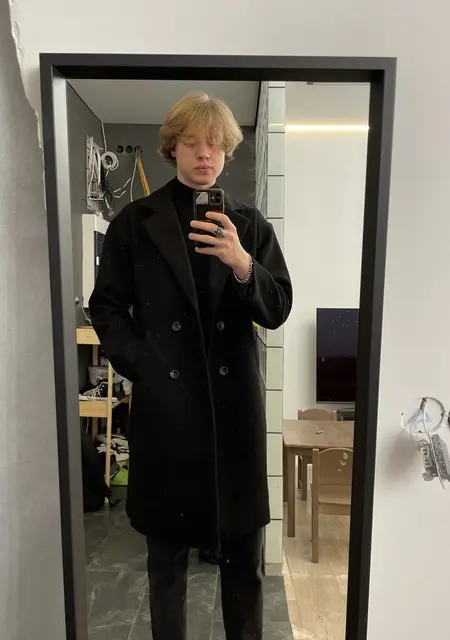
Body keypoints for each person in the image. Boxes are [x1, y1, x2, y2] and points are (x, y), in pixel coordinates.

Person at [89, 91, 292, 640]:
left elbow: (278, 309)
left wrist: (242, 264)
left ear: (227, 152)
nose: (206, 154)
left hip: (234, 415)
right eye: (193, 142)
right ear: (172, 148)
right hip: (168, 410)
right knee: (166, 565)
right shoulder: (135, 221)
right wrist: (144, 364)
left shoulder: (249, 226)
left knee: (244, 565)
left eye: (216, 145)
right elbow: (105, 306)